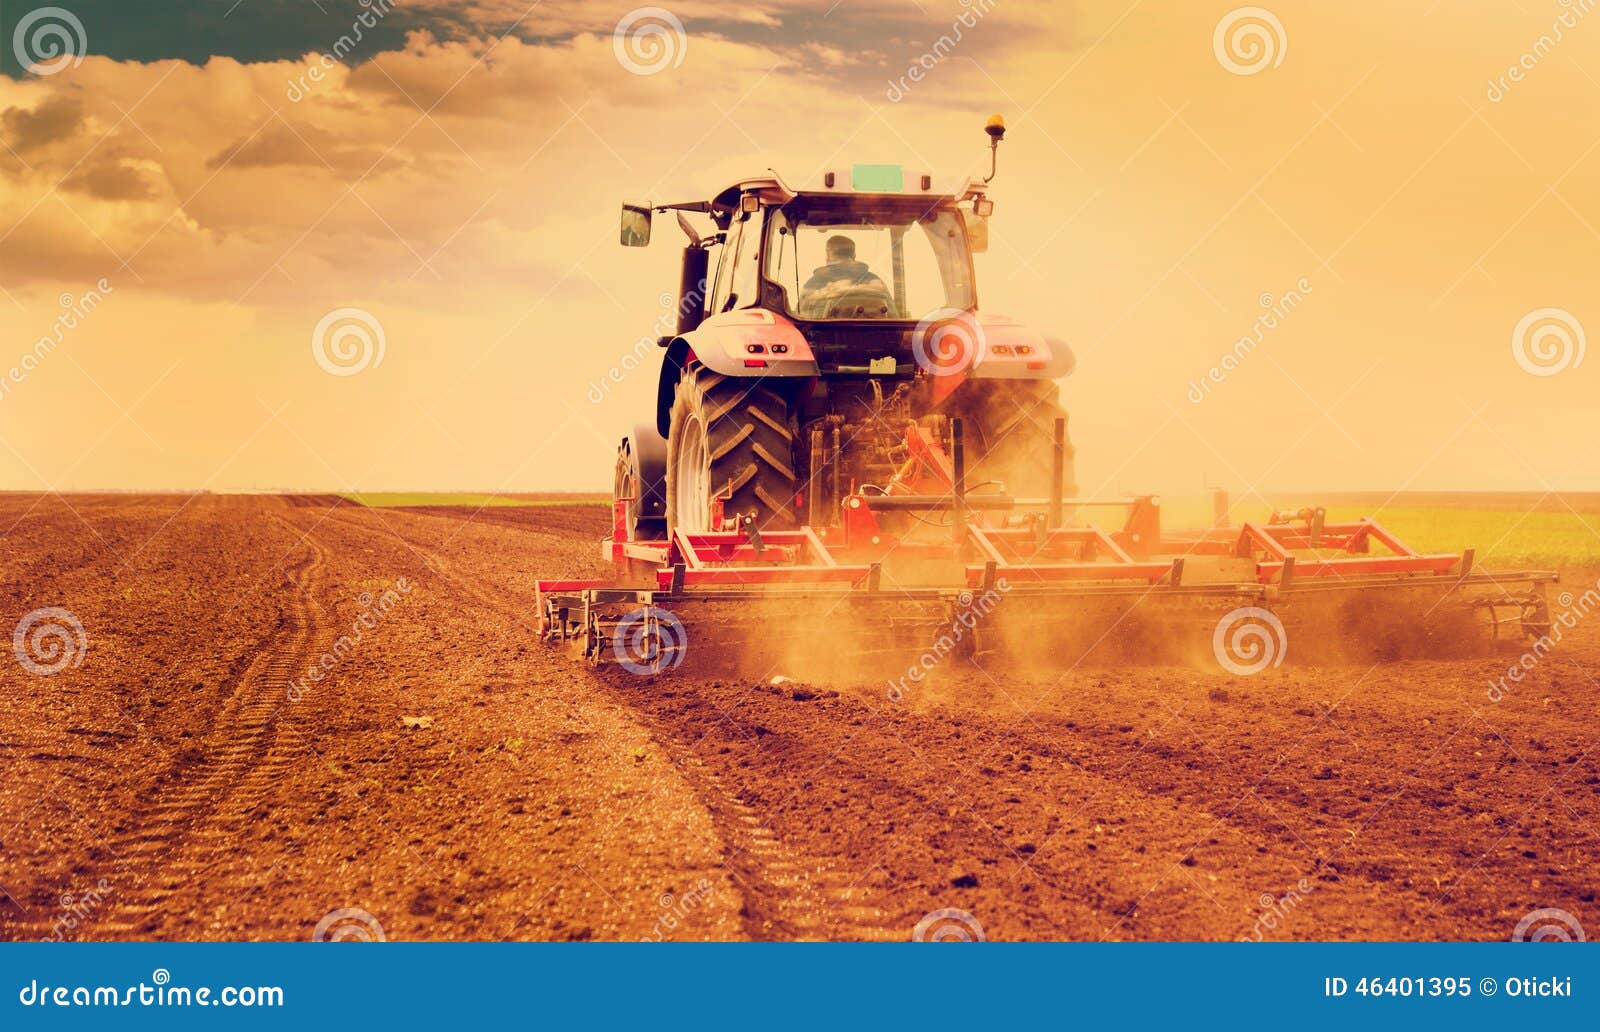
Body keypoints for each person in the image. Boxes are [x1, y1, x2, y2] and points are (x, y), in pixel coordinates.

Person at [799, 235, 890, 311]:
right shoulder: (875, 281)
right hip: (876, 332)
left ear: (828, 253)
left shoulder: (815, 283)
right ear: (854, 255)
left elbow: (800, 316)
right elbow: (893, 315)